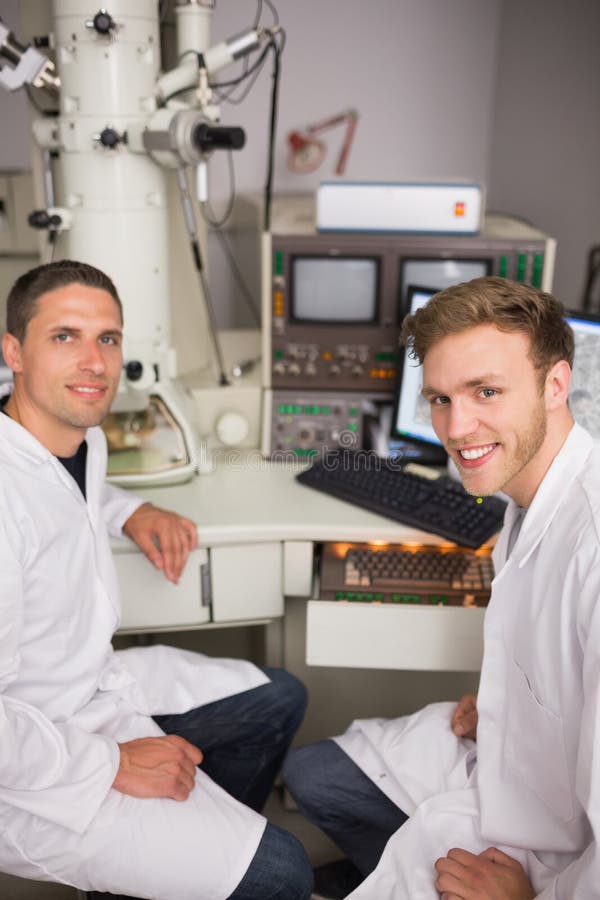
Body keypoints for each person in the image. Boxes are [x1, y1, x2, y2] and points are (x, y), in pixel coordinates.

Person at [0, 260, 313, 900]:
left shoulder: (78, 438)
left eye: (107, 339)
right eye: (65, 336)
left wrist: (126, 508)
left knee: (277, 698)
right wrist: (114, 764)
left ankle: (179, 874)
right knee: (285, 873)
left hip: (92, 687)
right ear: (14, 352)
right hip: (33, 765)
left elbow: (66, 487)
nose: (94, 361)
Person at [284, 275, 600, 899]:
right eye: (440, 398)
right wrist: (507, 705)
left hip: (558, 860)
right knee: (311, 774)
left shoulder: (590, 543)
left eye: (487, 391)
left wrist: (532, 899)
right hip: (512, 762)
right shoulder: (527, 495)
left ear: (557, 383)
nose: (457, 429)